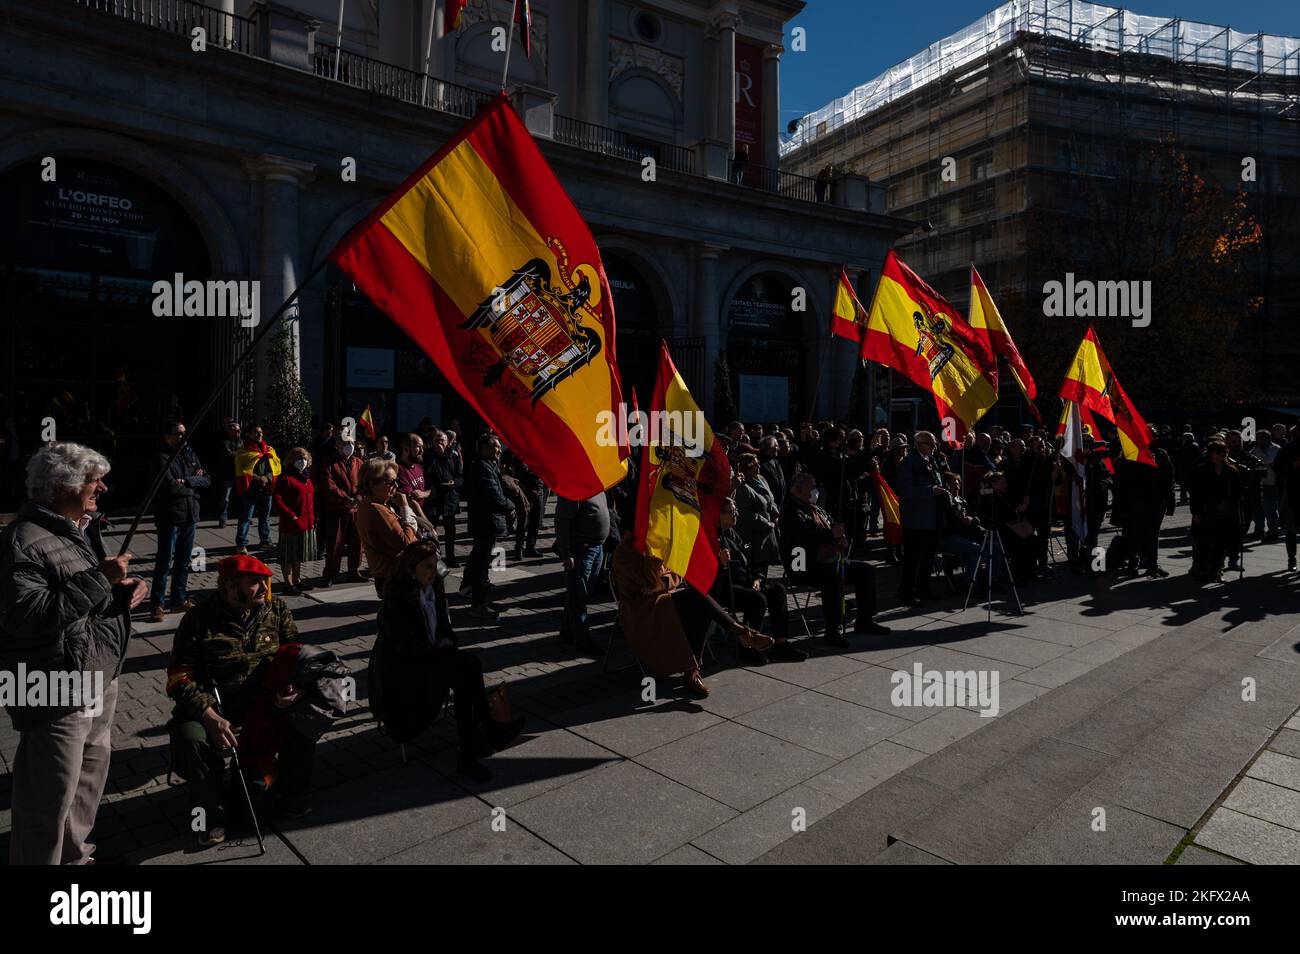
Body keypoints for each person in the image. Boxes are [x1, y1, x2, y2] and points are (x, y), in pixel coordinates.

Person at [1, 443, 148, 864]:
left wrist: (122, 592)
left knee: (85, 785)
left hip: (98, 676)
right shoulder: (22, 540)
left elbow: (83, 599)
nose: (101, 487)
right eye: (92, 479)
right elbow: (26, 616)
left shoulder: (78, 527)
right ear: (61, 485)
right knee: (47, 797)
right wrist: (101, 578)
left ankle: (75, 857)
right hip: (55, 686)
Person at [166, 555, 316, 846]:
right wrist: (209, 716)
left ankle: (291, 794)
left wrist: (291, 688)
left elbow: (295, 655)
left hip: (264, 706)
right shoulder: (198, 620)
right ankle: (211, 814)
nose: (265, 588)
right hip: (212, 706)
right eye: (256, 582)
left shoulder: (276, 610)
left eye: (265, 581)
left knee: (305, 715)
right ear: (230, 587)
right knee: (188, 737)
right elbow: (178, 678)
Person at [371, 540, 525, 782]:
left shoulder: (436, 590)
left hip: (434, 665)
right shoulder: (397, 601)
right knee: (467, 669)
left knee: (466, 672)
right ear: (411, 569)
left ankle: (473, 751)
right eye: (427, 567)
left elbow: (447, 632)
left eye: (436, 566)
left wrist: (445, 643)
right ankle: (483, 738)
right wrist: (442, 651)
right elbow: (407, 650)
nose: (434, 572)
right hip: (406, 677)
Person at [611, 536, 759, 698]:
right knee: (697, 598)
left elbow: (677, 571)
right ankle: (738, 632)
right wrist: (657, 573)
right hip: (641, 611)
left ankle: (693, 670)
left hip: (664, 600)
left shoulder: (655, 542)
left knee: (699, 603)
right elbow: (649, 582)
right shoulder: (625, 551)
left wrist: (664, 583)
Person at [779, 472, 889, 646]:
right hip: (802, 564)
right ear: (798, 490)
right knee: (832, 578)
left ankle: (865, 620)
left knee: (865, 570)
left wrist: (840, 539)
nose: (815, 491)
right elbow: (803, 540)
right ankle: (832, 630)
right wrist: (831, 535)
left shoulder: (816, 509)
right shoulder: (790, 512)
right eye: (811, 487)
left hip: (829, 560)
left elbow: (830, 527)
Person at [714, 498, 804, 664]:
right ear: (718, 515)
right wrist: (721, 562)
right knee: (757, 600)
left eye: (736, 510)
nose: (736, 514)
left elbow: (753, 560)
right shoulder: (712, 537)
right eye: (731, 511)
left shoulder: (733, 534)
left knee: (777, 590)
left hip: (745, 583)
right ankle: (747, 647)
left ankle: (780, 644)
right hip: (724, 587)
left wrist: (758, 577)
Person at [148, 419, 210, 622]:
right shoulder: (161, 458)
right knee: (164, 562)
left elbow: (207, 479)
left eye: (184, 433)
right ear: (168, 436)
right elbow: (170, 487)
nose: (183, 437)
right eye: (178, 433)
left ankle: (178, 599)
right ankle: (157, 603)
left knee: (183, 561)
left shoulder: (189, 454)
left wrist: (188, 481)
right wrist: (191, 483)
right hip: (170, 517)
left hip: (190, 515)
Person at [462, 433, 514, 621]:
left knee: (480, 560)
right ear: (484, 448)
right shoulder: (482, 467)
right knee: (481, 564)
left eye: (499, 446)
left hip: (487, 522)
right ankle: (478, 605)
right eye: (495, 446)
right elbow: (493, 494)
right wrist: (510, 505)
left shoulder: (489, 465)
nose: (499, 450)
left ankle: (470, 591)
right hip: (484, 523)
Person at [356, 458, 420, 599]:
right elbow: (406, 543)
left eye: (396, 481)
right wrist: (404, 507)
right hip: (395, 576)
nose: (395, 486)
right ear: (372, 484)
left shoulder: (370, 505)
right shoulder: (377, 509)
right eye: (390, 482)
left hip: (388, 574)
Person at [554, 492, 609, 654]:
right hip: (581, 549)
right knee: (578, 595)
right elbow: (562, 522)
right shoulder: (572, 489)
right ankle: (582, 640)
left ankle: (567, 632)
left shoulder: (598, 486)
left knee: (578, 593)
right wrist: (566, 553)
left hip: (597, 546)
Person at [896, 431, 944, 606]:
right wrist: (930, 491)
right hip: (916, 519)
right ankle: (907, 593)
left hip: (931, 518)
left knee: (928, 558)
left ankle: (924, 588)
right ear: (919, 444)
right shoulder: (908, 463)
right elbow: (906, 491)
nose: (933, 448)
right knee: (912, 559)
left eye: (934, 445)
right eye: (930, 445)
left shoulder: (931, 461)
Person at [1189, 440, 1244, 582]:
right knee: (1204, 542)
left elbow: (1237, 495)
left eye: (1225, 452)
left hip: (1226, 512)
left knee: (1222, 543)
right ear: (1212, 454)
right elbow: (1195, 494)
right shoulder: (1201, 469)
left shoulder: (1232, 471)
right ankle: (1202, 569)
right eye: (1220, 453)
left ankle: (1216, 570)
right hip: (1207, 511)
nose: (1224, 455)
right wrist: (1195, 512)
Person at [317, 434, 364, 586]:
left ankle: (354, 571)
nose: (349, 446)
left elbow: (365, 484)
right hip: (337, 509)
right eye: (345, 443)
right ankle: (330, 574)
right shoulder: (328, 463)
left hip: (356, 510)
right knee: (335, 543)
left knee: (357, 543)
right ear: (337, 445)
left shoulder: (359, 463)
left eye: (351, 443)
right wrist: (345, 499)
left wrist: (357, 498)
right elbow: (328, 485)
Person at [271, 447, 317, 595]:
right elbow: (277, 501)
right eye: (298, 458)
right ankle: (288, 584)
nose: (302, 461)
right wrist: (291, 516)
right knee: (288, 556)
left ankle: (297, 581)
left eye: (304, 458)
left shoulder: (306, 477)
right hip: (291, 525)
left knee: (299, 555)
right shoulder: (285, 478)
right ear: (291, 460)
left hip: (306, 524)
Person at [733, 452, 782, 576]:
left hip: (769, 534)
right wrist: (766, 522)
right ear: (747, 468)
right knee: (758, 572)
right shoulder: (743, 487)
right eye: (755, 465)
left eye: (758, 464)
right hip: (755, 537)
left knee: (769, 571)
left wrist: (775, 514)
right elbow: (744, 514)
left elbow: (771, 499)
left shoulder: (761, 480)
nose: (758, 467)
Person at [234, 424, 280, 555]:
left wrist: (267, 477)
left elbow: (275, 467)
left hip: (266, 488)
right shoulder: (243, 450)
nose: (260, 435)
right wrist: (258, 478)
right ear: (248, 434)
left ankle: (265, 541)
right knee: (246, 517)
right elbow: (242, 470)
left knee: (265, 517)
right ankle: (241, 544)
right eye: (256, 432)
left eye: (261, 432)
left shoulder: (268, 449)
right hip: (250, 489)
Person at [427, 428, 463, 567]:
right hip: (434, 498)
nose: (440, 443)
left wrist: (454, 483)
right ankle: (433, 557)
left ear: (447, 442)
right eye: (437, 440)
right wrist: (436, 455)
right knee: (432, 530)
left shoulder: (453, 455)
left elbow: (460, 476)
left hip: (449, 497)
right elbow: (426, 472)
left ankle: (451, 557)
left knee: (450, 531)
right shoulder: (429, 455)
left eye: (442, 440)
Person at [395, 433, 437, 538]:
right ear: (406, 449)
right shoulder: (399, 470)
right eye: (418, 447)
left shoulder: (419, 467)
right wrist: (429, 527)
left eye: (422, 447)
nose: (422, 451)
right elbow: (411, 502)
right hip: (411, 522)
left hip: (424, 518)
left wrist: (423, 494)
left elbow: (432, 489)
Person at [1274, 424, 1300, 572]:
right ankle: (1292, 559)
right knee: (1291, 528)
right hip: (1292, 491)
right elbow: (1277, 467)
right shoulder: (1288, 448)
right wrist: (1293, 466)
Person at [1249, 430, 1280, 541]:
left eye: (1259, 438)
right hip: (1257, 483)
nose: (1257, 440)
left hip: (1271, 483)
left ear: (1267, 438)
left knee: (1270, 509)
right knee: (1257, 509)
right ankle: (1259, 530)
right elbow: (1250, 459)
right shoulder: (1255, 449)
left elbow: (1267, 460)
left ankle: (1273, 532)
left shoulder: (1275, 449)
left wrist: (1258, 451)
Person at [214, 417, 241, 528]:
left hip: (239, 473)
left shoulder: (241, 442)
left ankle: (242, 517)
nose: (238, 432)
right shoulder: (224, 442)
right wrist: (240, 454)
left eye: (239, 430)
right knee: (226, 498)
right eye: (236, 430)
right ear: (230, 431)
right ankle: (223, 518)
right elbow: (228, 455)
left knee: (240, 496)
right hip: (228, 473)